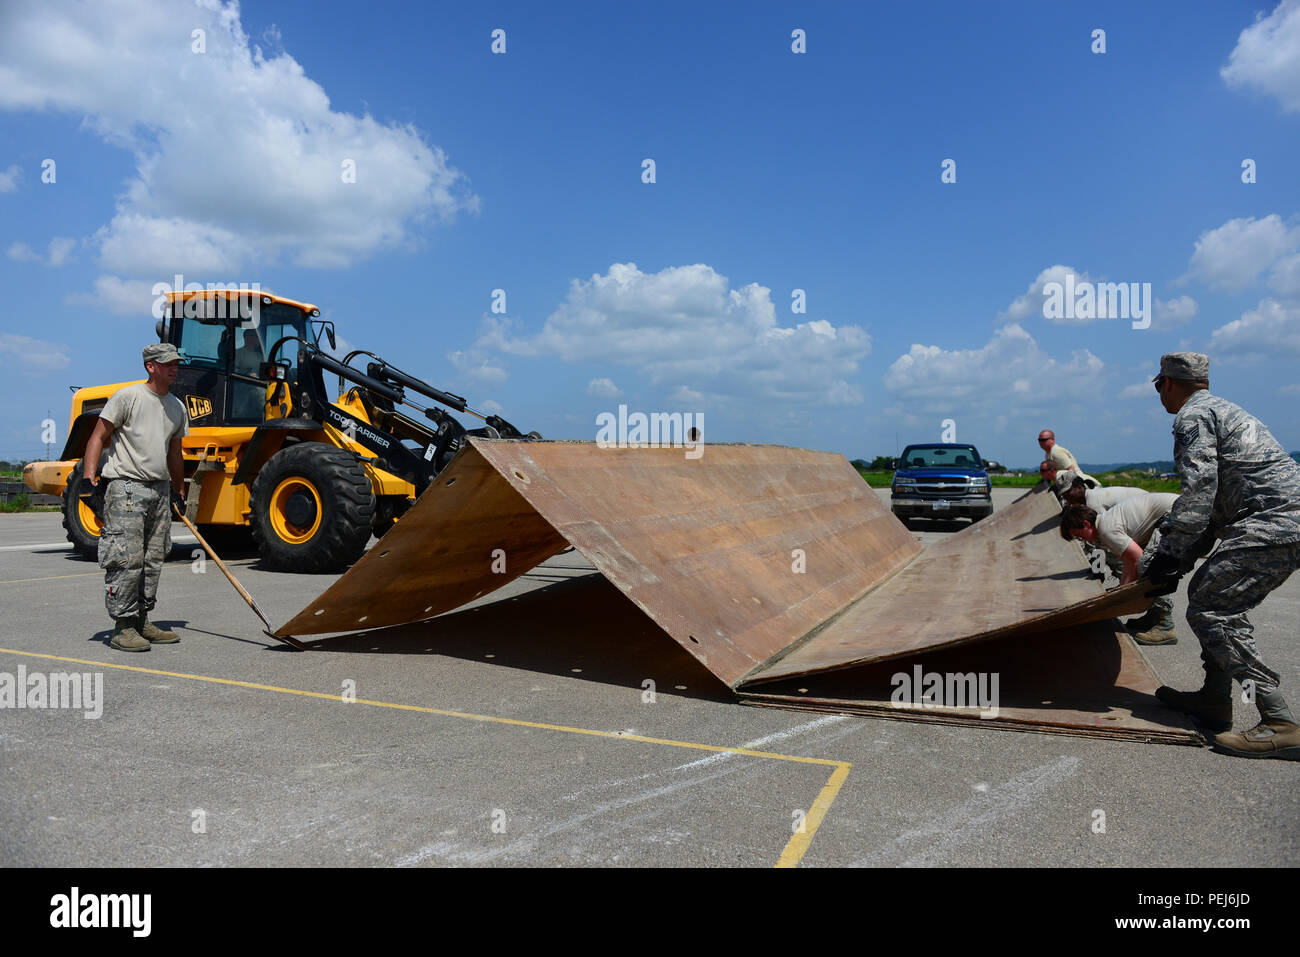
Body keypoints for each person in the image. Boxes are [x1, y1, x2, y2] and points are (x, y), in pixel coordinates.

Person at [1145, 352, 1300, 760]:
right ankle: (1215, 699)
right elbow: (1215, 506)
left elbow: (1197, 493)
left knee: (1212, 611)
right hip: (1281, 521)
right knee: (1212, 596)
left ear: (1170, 383)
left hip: (1274, 523)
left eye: (1158, 384)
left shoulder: (1192, 417)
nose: (1159, 393)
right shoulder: (1223, 410)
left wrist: (1168, 555)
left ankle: (1280, 722)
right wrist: (1181, 559)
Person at [81, 343, 189, 652]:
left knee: (153, 559)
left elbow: (174, 452)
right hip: (127, 488)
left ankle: (142, 619)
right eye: (167, 363)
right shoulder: (128, 397)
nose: (174, 367)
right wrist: (89, 481)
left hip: (159, 490)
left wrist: (179, 490)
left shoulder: (176, 407)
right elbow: (98, 436)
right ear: (150, 366)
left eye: (175, 363)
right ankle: (122, 627)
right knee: (127, 559)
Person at [1060, 492, 1181, 645]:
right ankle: (1155, 615)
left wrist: (1121, 598)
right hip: (1175, 510)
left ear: (1086, 524)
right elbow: (1128, 562)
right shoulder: (1104, 523)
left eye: (1079, 536)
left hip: (1176, 513)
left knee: (1149, 565)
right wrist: (1120, 592)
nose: (1082, 540)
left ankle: (1165, 626)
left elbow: (1136, 559)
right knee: (1146, 561)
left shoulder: (1106, 529)